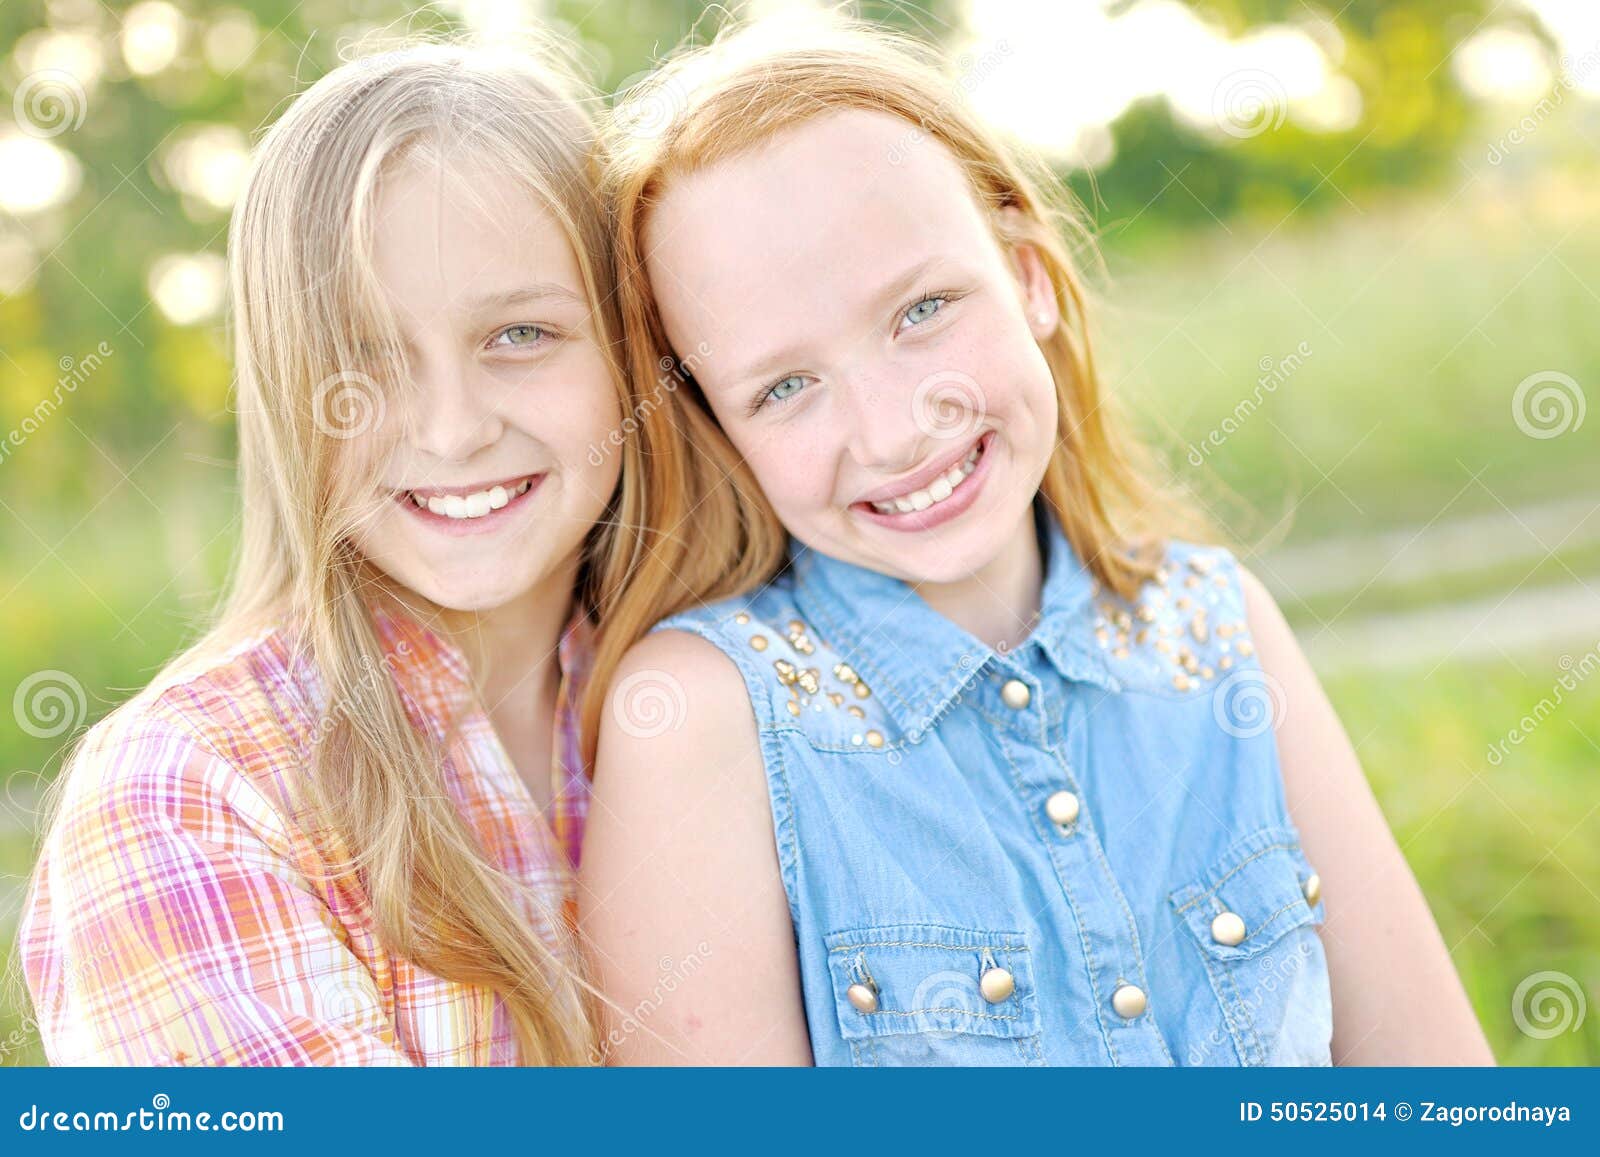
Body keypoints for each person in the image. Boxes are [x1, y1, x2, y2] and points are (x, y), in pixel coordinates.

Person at [580, 13, 1495, 1067]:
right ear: (717, 427)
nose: (889, 430)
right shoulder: (702, 719)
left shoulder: (1215, 625)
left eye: (921, 309)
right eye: (784, 385)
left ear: (1031, 280)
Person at [15, 37, 748, 1066]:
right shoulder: (192, 791)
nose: (450, 430)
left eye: (520, 335)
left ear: (632, 345)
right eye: (363, 355)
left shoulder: (736, 684)